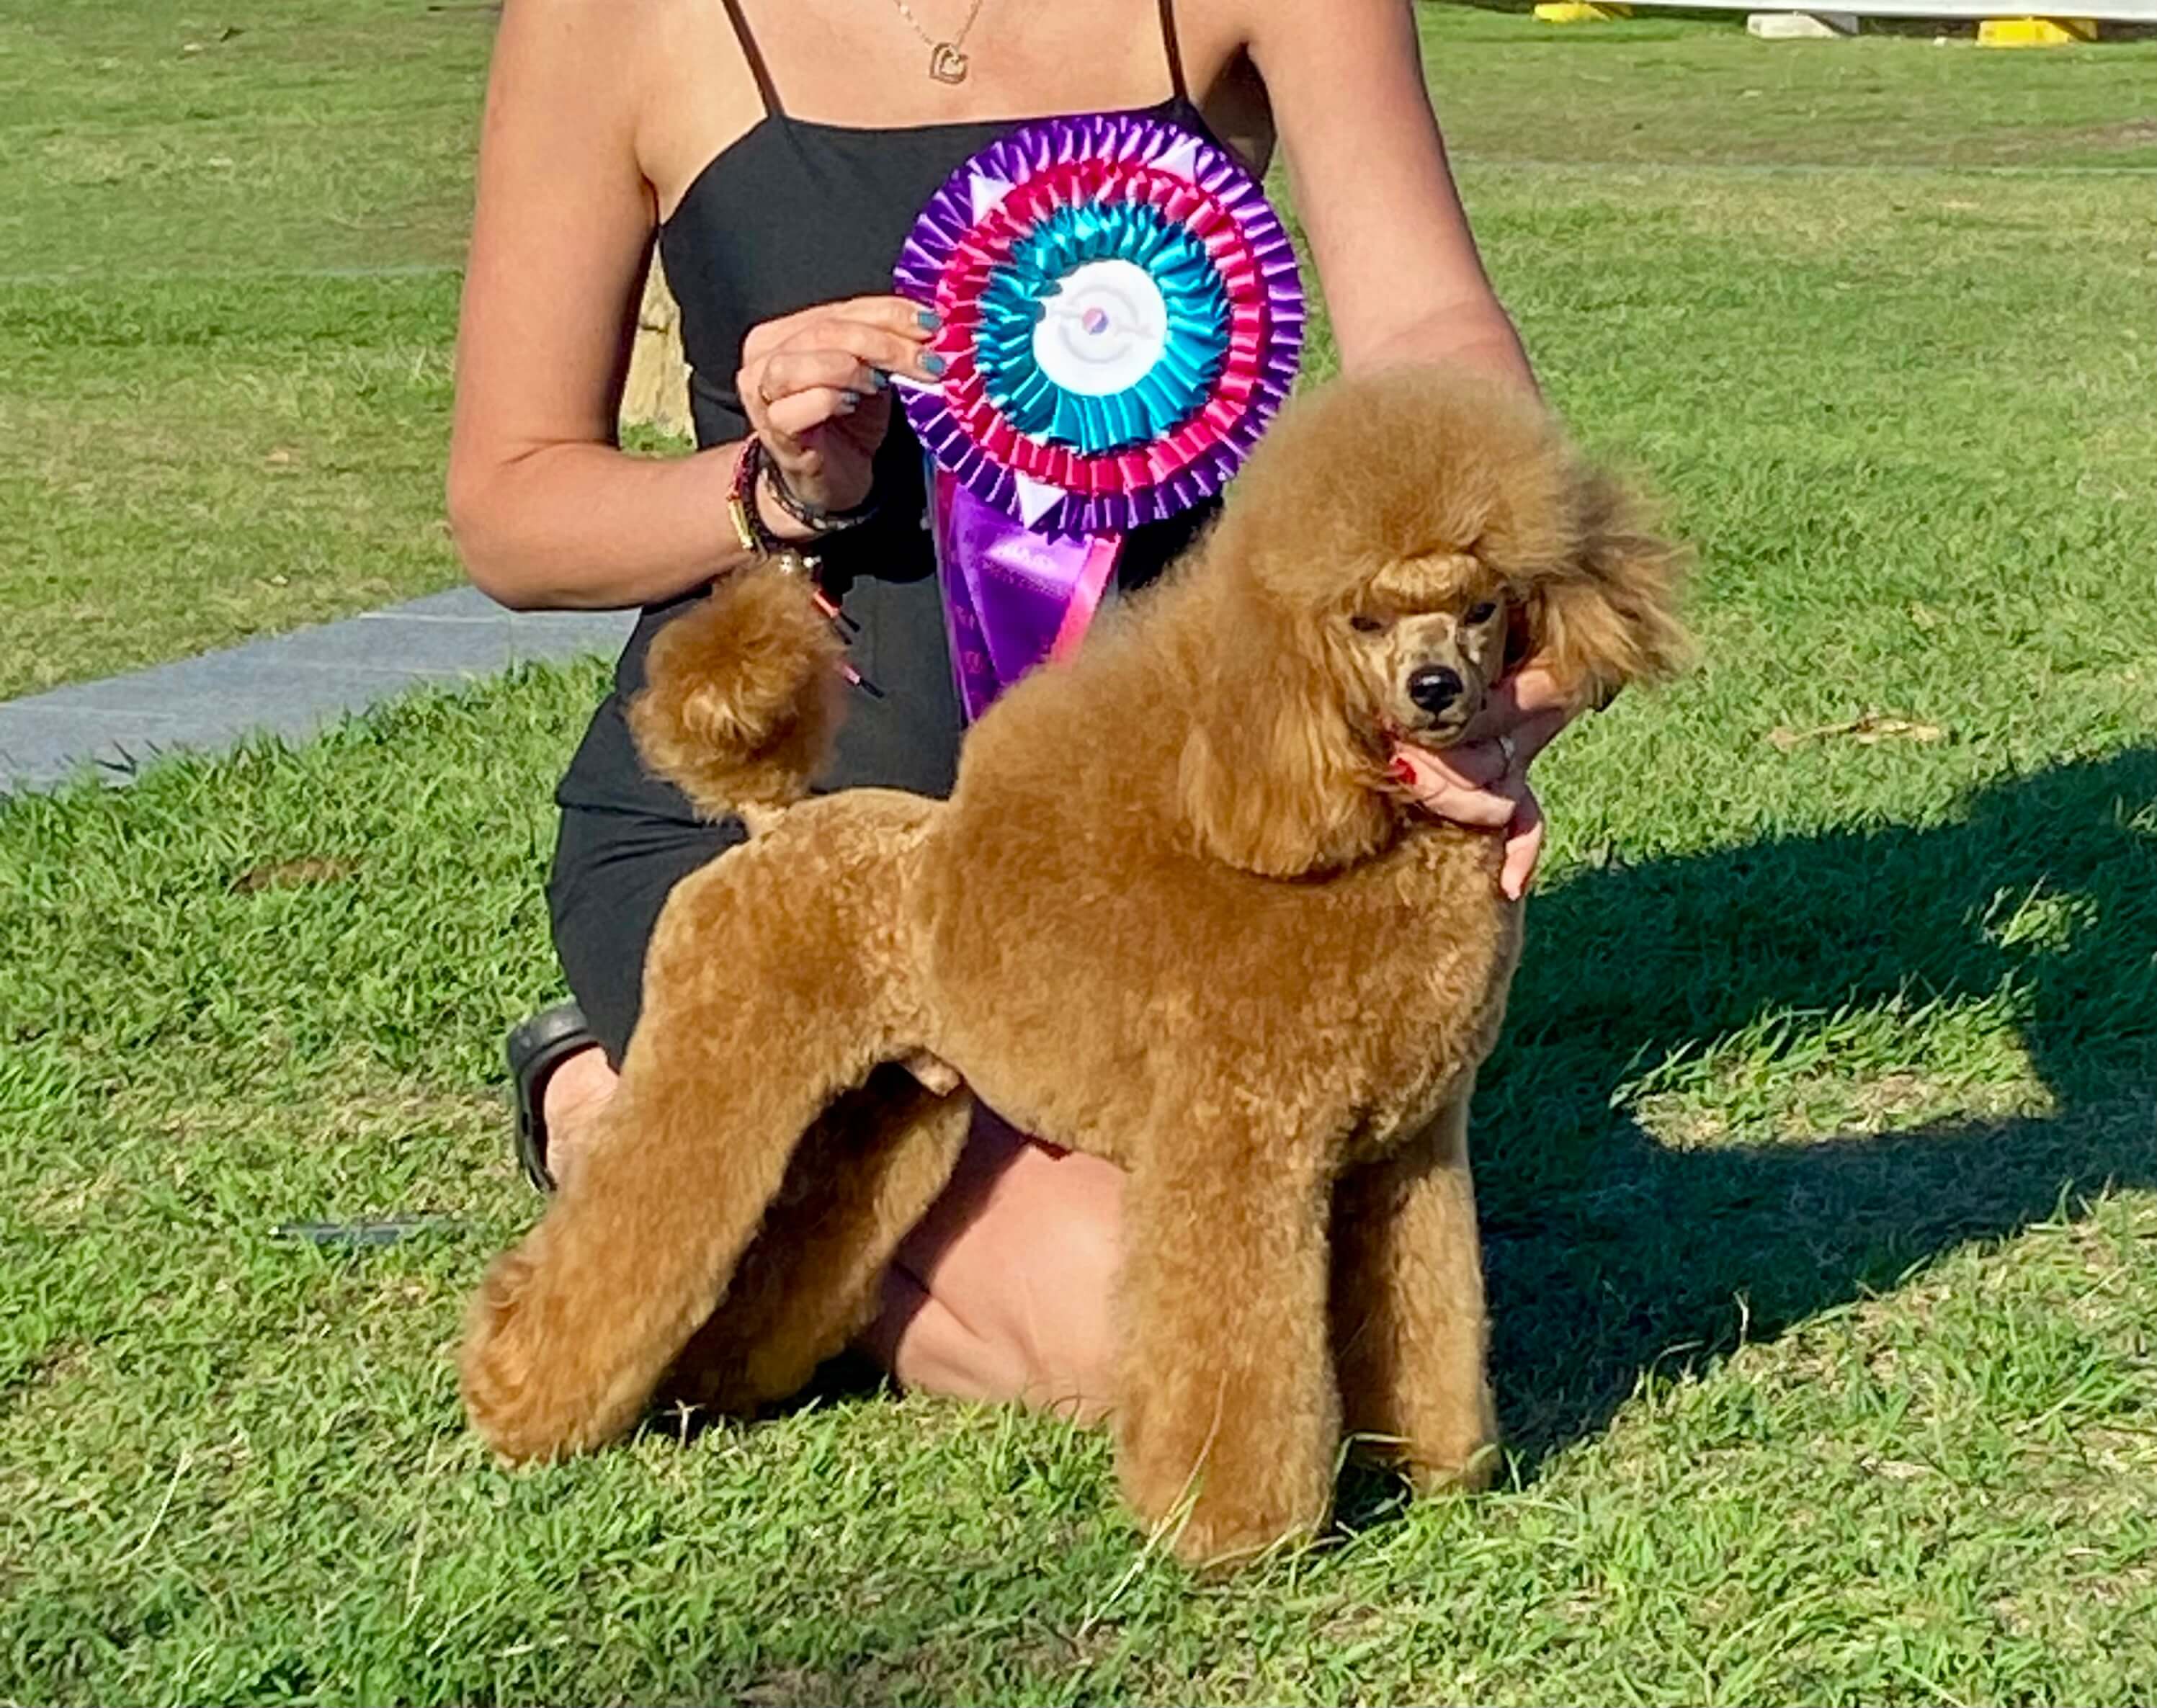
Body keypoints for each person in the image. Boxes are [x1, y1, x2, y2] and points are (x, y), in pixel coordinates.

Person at [447, 0, 1583, 1422]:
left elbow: (1427, 333)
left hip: (1154, 851)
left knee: (1290, 1299)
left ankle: (747, 1161)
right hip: (777, 834)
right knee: (1122, 1323)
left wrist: (1491, 663)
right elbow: (510, 508)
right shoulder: (608, 21)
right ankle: (619, 1101)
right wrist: (769, 490)